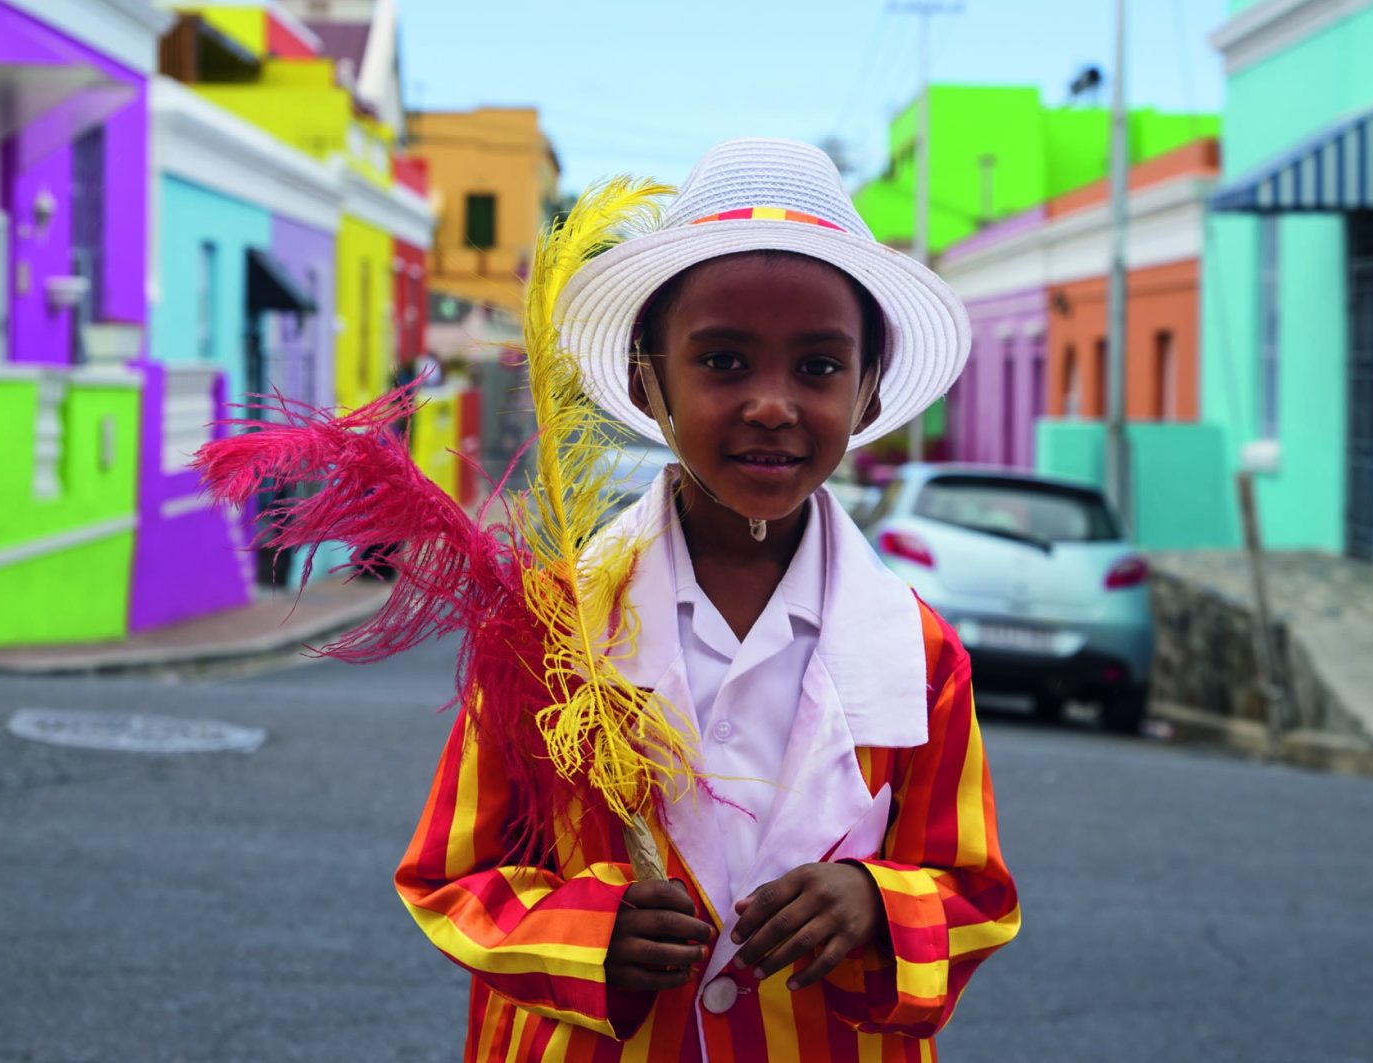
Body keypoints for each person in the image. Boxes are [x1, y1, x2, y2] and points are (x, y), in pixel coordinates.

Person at [396, 139, 1019, 1061]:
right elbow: (453, 875)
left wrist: (875, 906)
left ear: (869, 388)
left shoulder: (918, 657)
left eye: (818, 368)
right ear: (650, 384)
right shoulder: (550, 627)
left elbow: (973, 890)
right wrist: (587, 931)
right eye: (724, 361)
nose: (772, 404)